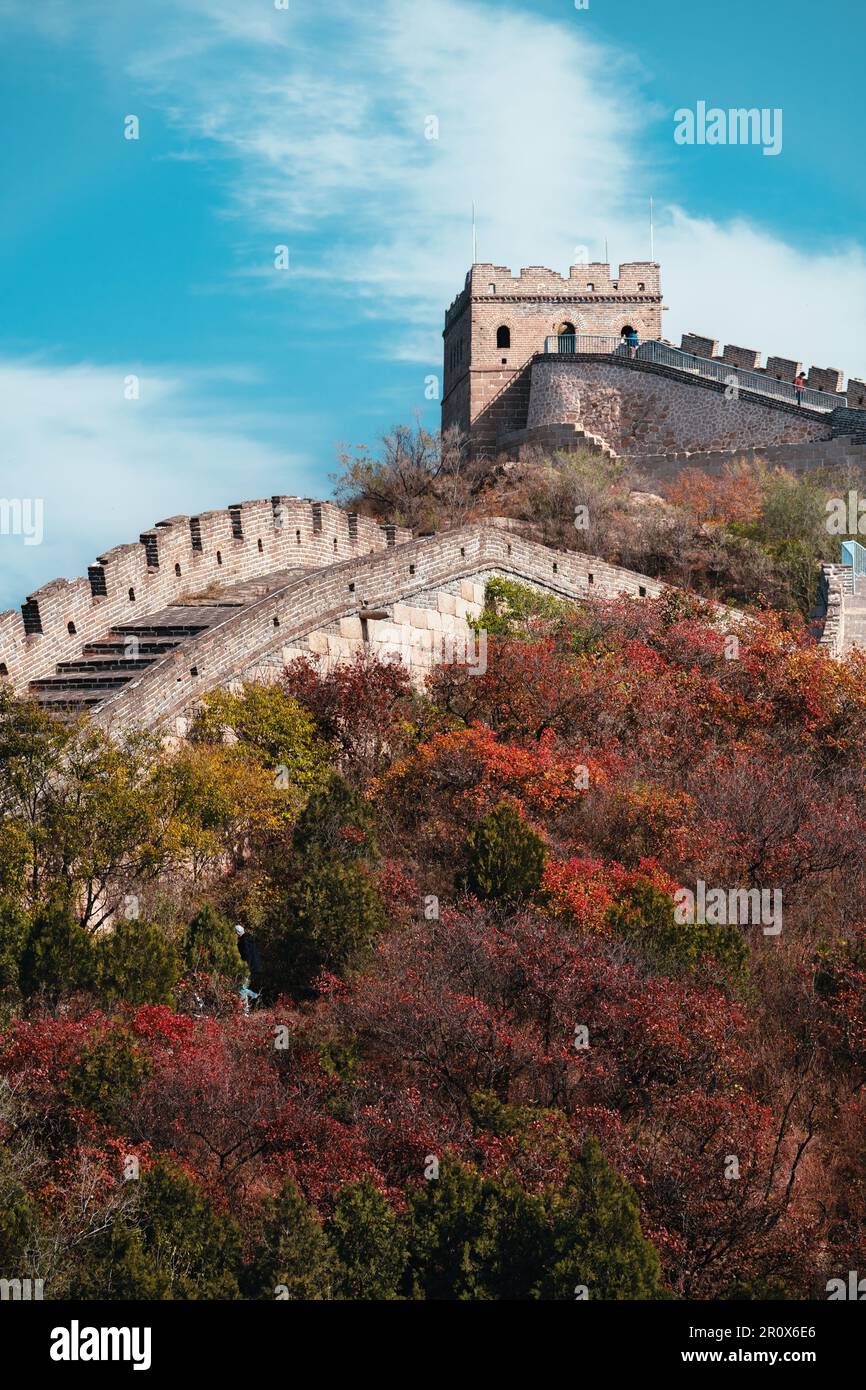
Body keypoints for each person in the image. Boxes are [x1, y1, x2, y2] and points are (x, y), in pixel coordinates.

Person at [235, 924, 262, 1012]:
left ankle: (246, 1009)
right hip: (255, 967)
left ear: (237, 933)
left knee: (242, 988)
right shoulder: (250, 939)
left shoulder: (243, 942)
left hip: (248, 967)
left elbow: (246, 955)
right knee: (242, 987)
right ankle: (255, 996)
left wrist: (245, 966)